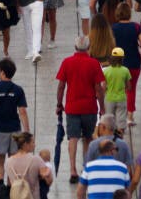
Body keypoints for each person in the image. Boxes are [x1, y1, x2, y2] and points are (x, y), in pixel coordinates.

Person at [56, 35, 106, 184]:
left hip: (72, 107)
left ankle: (72, 170)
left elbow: (61, 86)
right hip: (89, 107)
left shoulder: (67, 62)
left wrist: (59, 104)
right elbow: (99, 89)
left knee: (73, 138)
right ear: (88, 48)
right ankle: (87, 167)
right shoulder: (94, 63)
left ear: (75, 47)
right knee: (88, 138)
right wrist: (102, 107)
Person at [0, 58, 29, 190]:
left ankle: (0, 186)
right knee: (13, 160)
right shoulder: (18, 90)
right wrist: (26, 131)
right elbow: (23, 112)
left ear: (2, 72)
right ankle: (10, 187)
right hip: (15, 129)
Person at [111, 2, 141, 126]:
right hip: (134, 62)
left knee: (117, 89)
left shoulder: (114, 28)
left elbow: (112, 46)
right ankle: (130, 116)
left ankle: (117, 115)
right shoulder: (136, 27)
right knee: (131, 90)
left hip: (118, 63)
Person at [6, 132, 53, 199]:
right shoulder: (36, 159)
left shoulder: (8, 162)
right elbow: (49, 181)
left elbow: (10, 183)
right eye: (33, 142)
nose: (34, 145)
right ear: (25, 144)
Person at [103, 48, 131, 133]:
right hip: (121, 98)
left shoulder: (106, 71)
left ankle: (109, 137)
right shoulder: (125, 70)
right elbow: (129, 87)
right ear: (122, 58)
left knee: (109, 120)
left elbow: (104, 87)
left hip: (109, 98)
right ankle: (120, 139)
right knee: (121, 121)